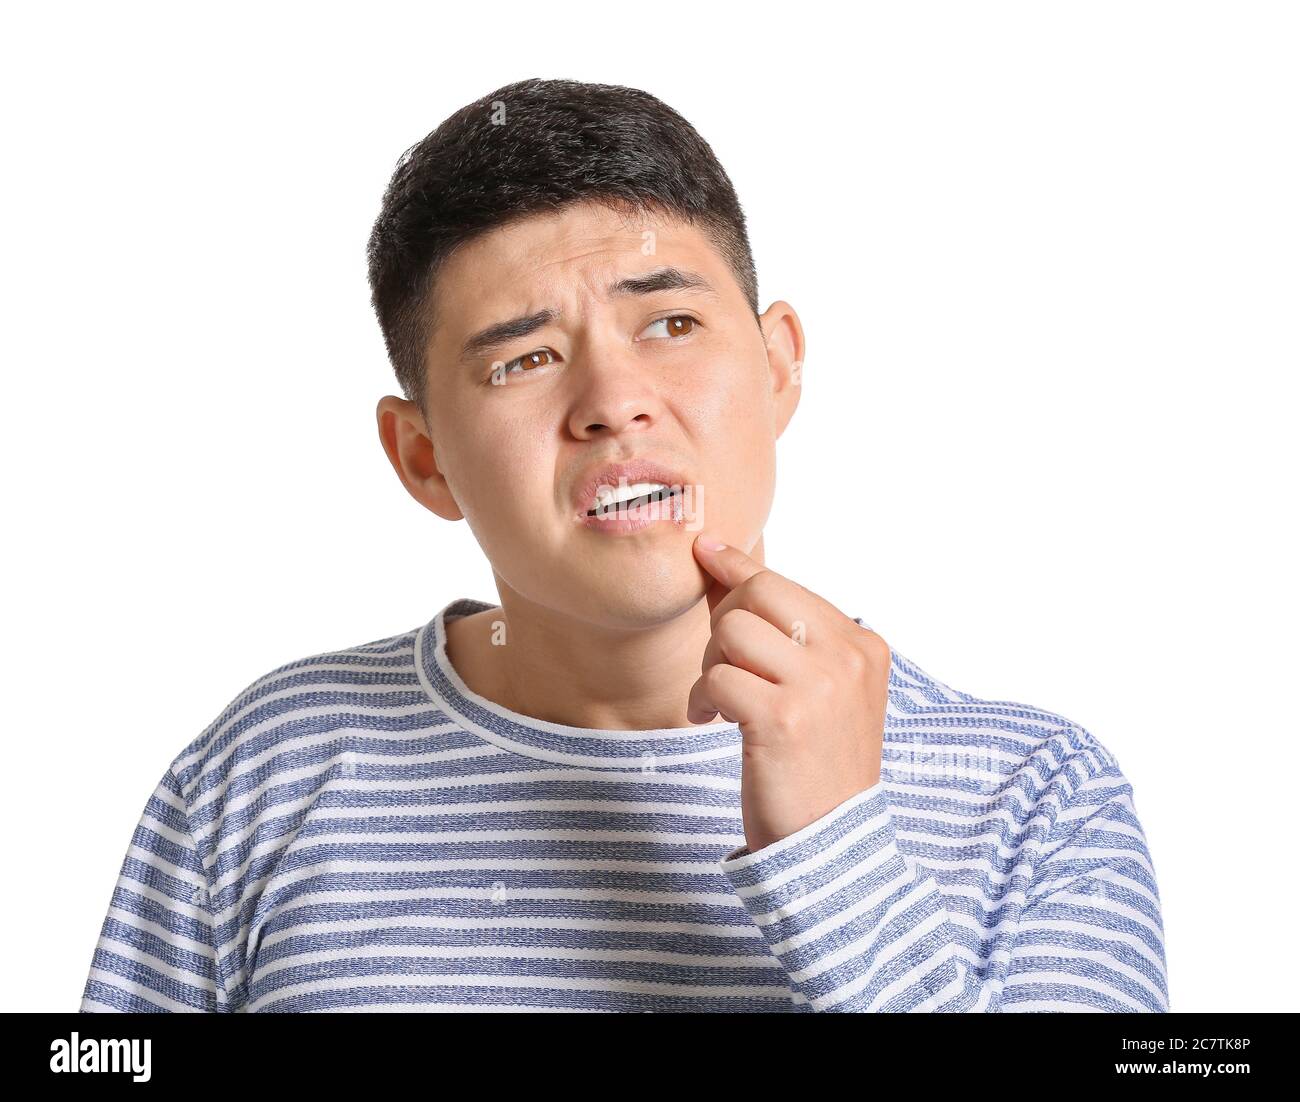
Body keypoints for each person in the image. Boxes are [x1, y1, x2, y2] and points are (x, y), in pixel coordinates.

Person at [79, 77, 1167, 1013]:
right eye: (523, 359)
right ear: (422, 459)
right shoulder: (264, 770)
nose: (613, 401)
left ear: (779, 362)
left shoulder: (1036, 797)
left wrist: (837, 848)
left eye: (670, 325)